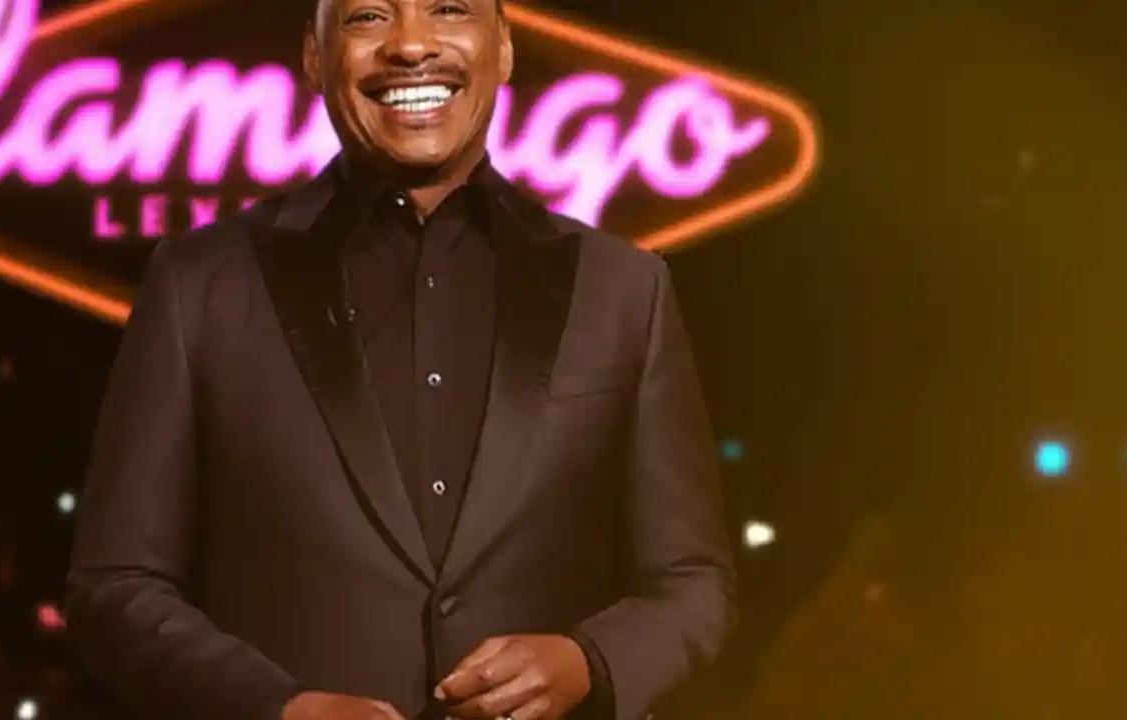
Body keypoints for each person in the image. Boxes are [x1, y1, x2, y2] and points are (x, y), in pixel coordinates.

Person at [64, 0, 736, 718]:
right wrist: (278, 708)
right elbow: (115, 587)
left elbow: (693, 581)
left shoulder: (624, 291)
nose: (412, 46)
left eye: (449, 8)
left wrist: (589, 662)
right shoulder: (199, 284)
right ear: (315, 58)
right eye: (367, 17)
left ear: (503, 48)